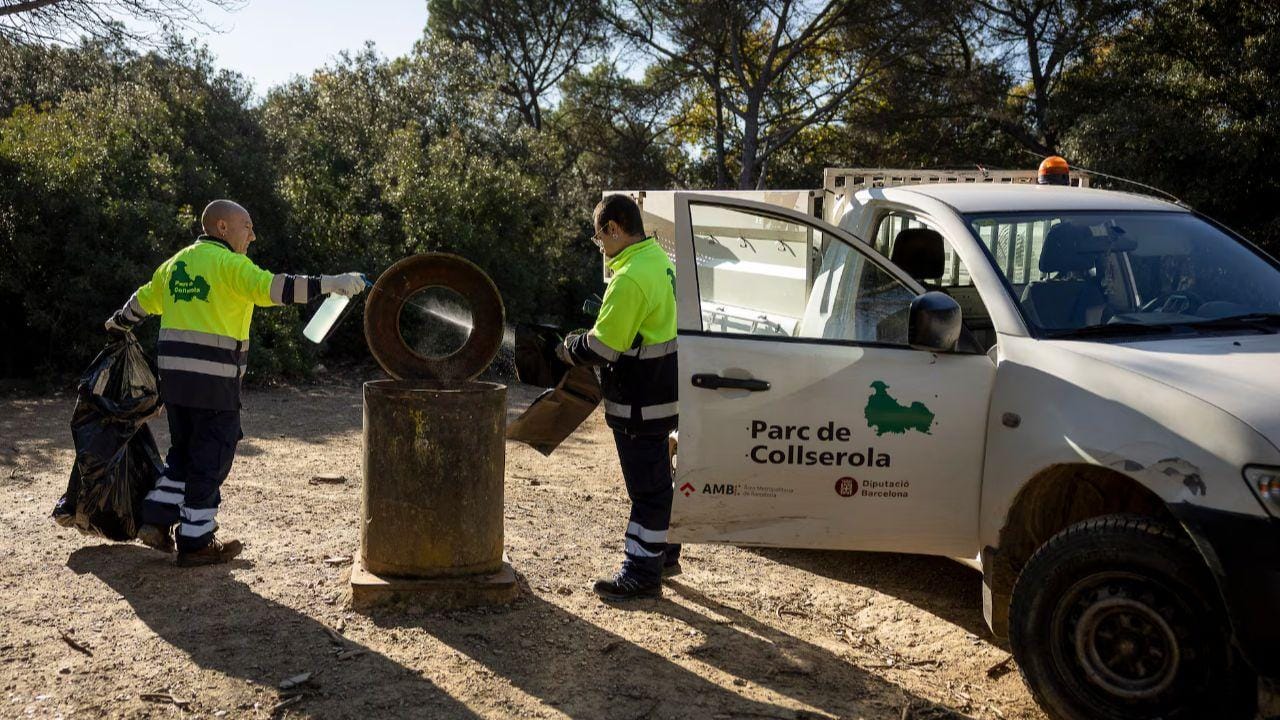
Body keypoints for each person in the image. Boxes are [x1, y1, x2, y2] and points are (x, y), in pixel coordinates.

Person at [104, 200, 366, 567]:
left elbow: (143, 299)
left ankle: (157, 518)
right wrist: (330, 283)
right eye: (247, 226)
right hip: (214, 383)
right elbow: (277, 288)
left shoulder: (175, 264)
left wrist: (118, 322)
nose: (253, 236)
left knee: (184, 452)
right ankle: (196, 542)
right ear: (222, 227)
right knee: (211, 459)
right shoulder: (230, 265)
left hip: (174, 383)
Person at [557, 194, 680, 601]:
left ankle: (641, 573)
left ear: (613, 228)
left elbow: (605, 346)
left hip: (638, 402)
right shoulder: (658, 260)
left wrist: (569, 348)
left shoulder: (628, 278)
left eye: (599, 238)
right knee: (659, 483)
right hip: (661, 394)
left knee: (647, 492)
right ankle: (664, 555)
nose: (600, 247)